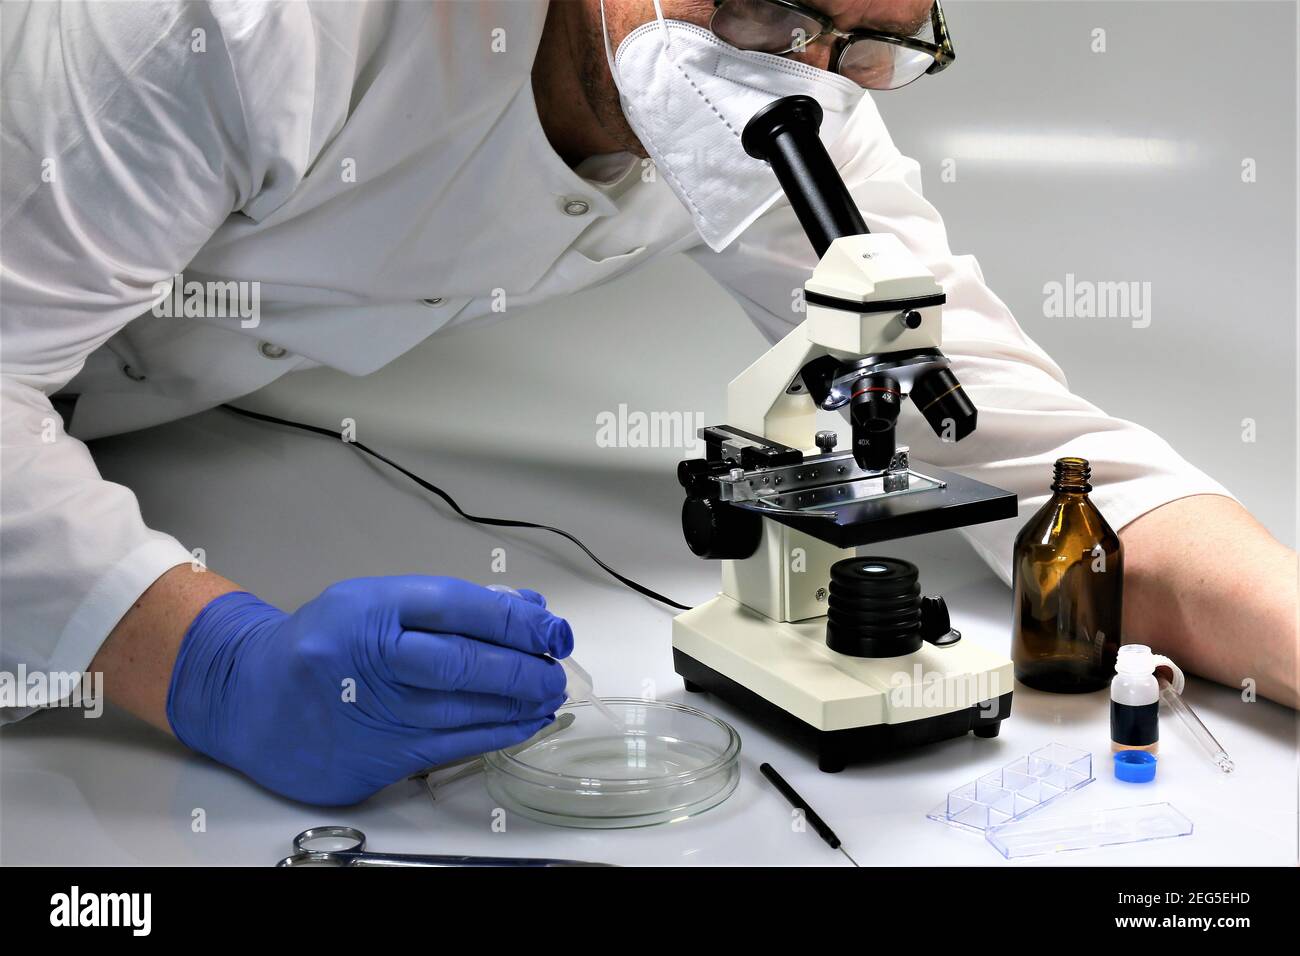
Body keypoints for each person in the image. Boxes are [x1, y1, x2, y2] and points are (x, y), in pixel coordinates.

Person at [1, 0, 1294, 805]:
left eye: (871, 43)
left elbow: (1056, 457)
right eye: (773, 13)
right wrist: (212, 666)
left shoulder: (796, 97)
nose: (808, 74)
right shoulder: (247, 24)